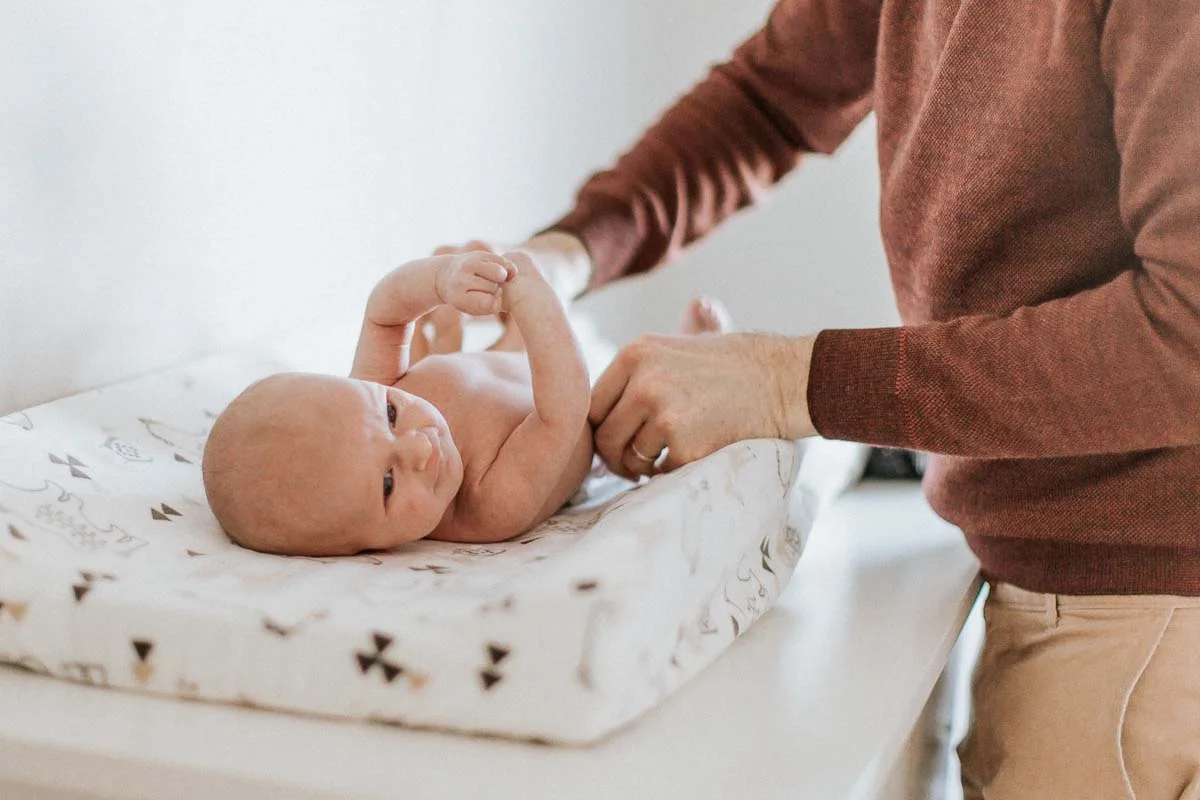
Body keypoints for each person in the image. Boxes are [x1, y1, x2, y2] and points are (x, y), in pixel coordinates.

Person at [436, 1, 1200, 797]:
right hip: (1060, 572)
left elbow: (1188, 339)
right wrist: (564, 255)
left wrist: (785, 382)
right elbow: (766, 99)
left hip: (1148, 612)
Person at [202, 250, 731, 557]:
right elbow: (562, 410)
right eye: (388, 484)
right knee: (639, 405)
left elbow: (384, 313)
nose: (416, 445)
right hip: (575, 406)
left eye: (388, 412)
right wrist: (535, 303)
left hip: (500, 361)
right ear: (363, 549)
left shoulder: (373, 393)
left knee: (477, 341)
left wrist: (442, 279)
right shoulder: (487, 507)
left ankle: (491, 329)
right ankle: (694, 349)